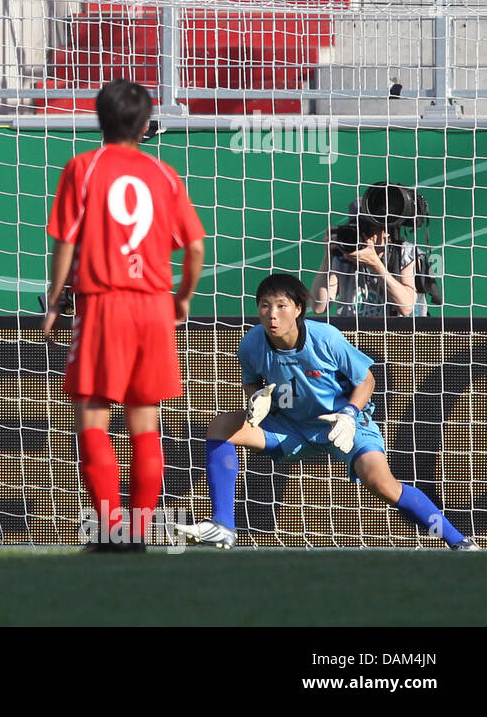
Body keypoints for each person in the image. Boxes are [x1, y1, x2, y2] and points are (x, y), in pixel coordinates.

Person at [176, 273, 478, 550]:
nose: (272, 314)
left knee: (382, 485)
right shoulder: (251, 344)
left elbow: (367, 379)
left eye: (281, 305)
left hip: (345, 425)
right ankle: (223, 526)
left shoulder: (326, 338)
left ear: (298, 309)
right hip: (291, 429)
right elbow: (253, 383)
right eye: (265, 306)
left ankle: (459, 542)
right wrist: (258, 400)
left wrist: (348, 414)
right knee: (221, 426)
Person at [42, 79, 207, 552]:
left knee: (93, 419)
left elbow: (66, 242)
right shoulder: (165, 174)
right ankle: (138, 531)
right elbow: (195, 247)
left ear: (100, 118)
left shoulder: (84, 168)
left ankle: (108, 529)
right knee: (144, 421)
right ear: (145, 123)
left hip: (103, 304)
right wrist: (182, 297)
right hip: (154, 306)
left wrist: (55, 301)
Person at [310, 182, 436, 317]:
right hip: (353, 334)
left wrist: (375, 264)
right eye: (357, 228)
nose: (363, 236)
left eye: (368, 229)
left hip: (398, 335)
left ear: (386, 231)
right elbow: (319, 306)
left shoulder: (404, 252)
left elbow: (405, 307)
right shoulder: (346, 255)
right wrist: (327, 257)